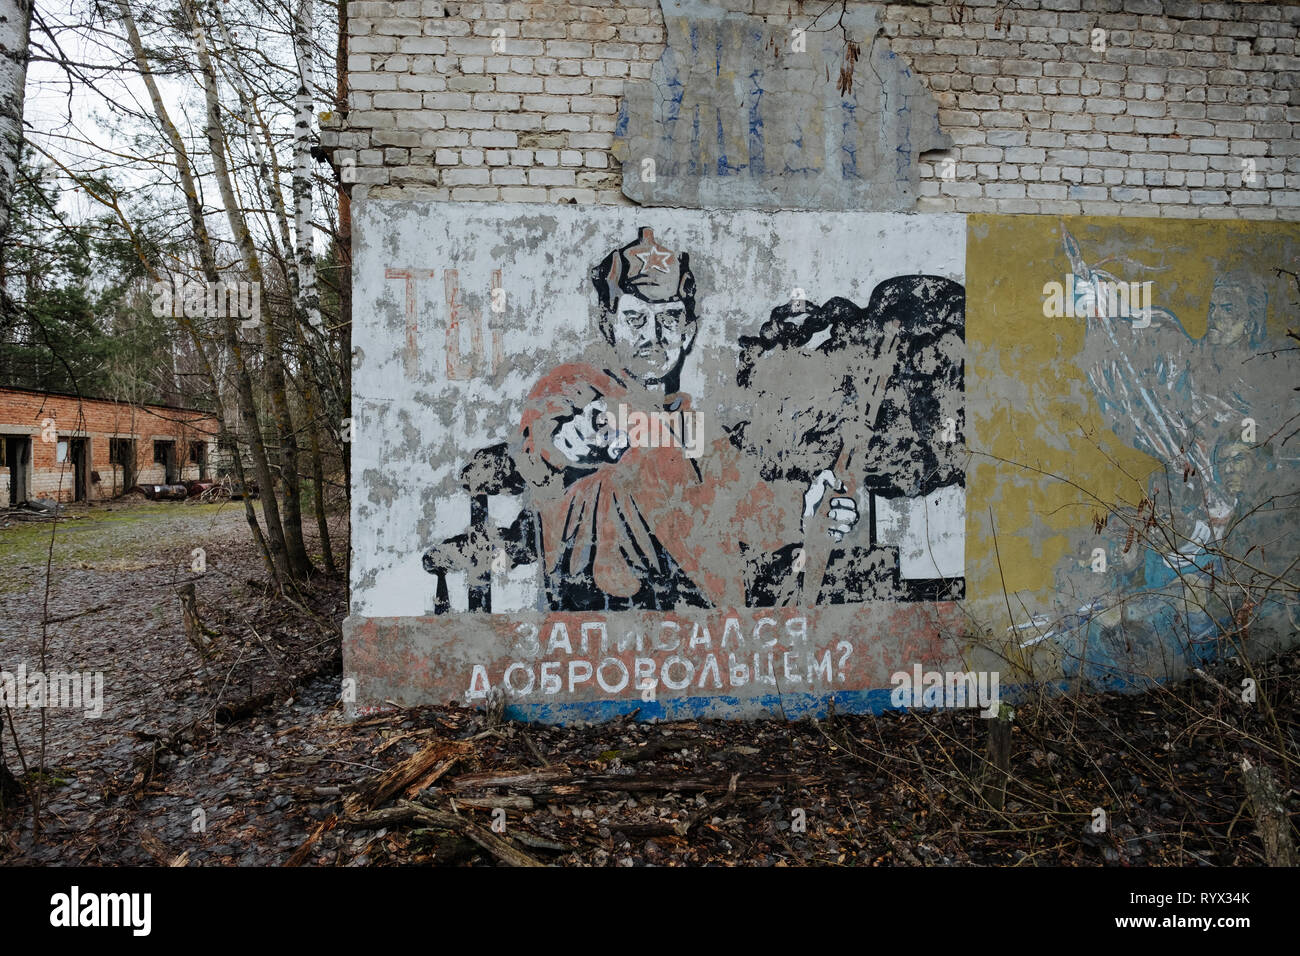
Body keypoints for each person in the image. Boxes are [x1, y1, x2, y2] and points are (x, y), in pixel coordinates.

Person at [516, 226, 858, 610]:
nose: (654, 336)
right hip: (605, 619)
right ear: (607, 323)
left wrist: (806, 509)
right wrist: (570, 441)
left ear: (689, 331)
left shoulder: (696, 428)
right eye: (635, 318)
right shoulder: (579, 386)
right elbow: (542, 438)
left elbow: (749, 503)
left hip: (702, 634)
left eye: (670, 318)